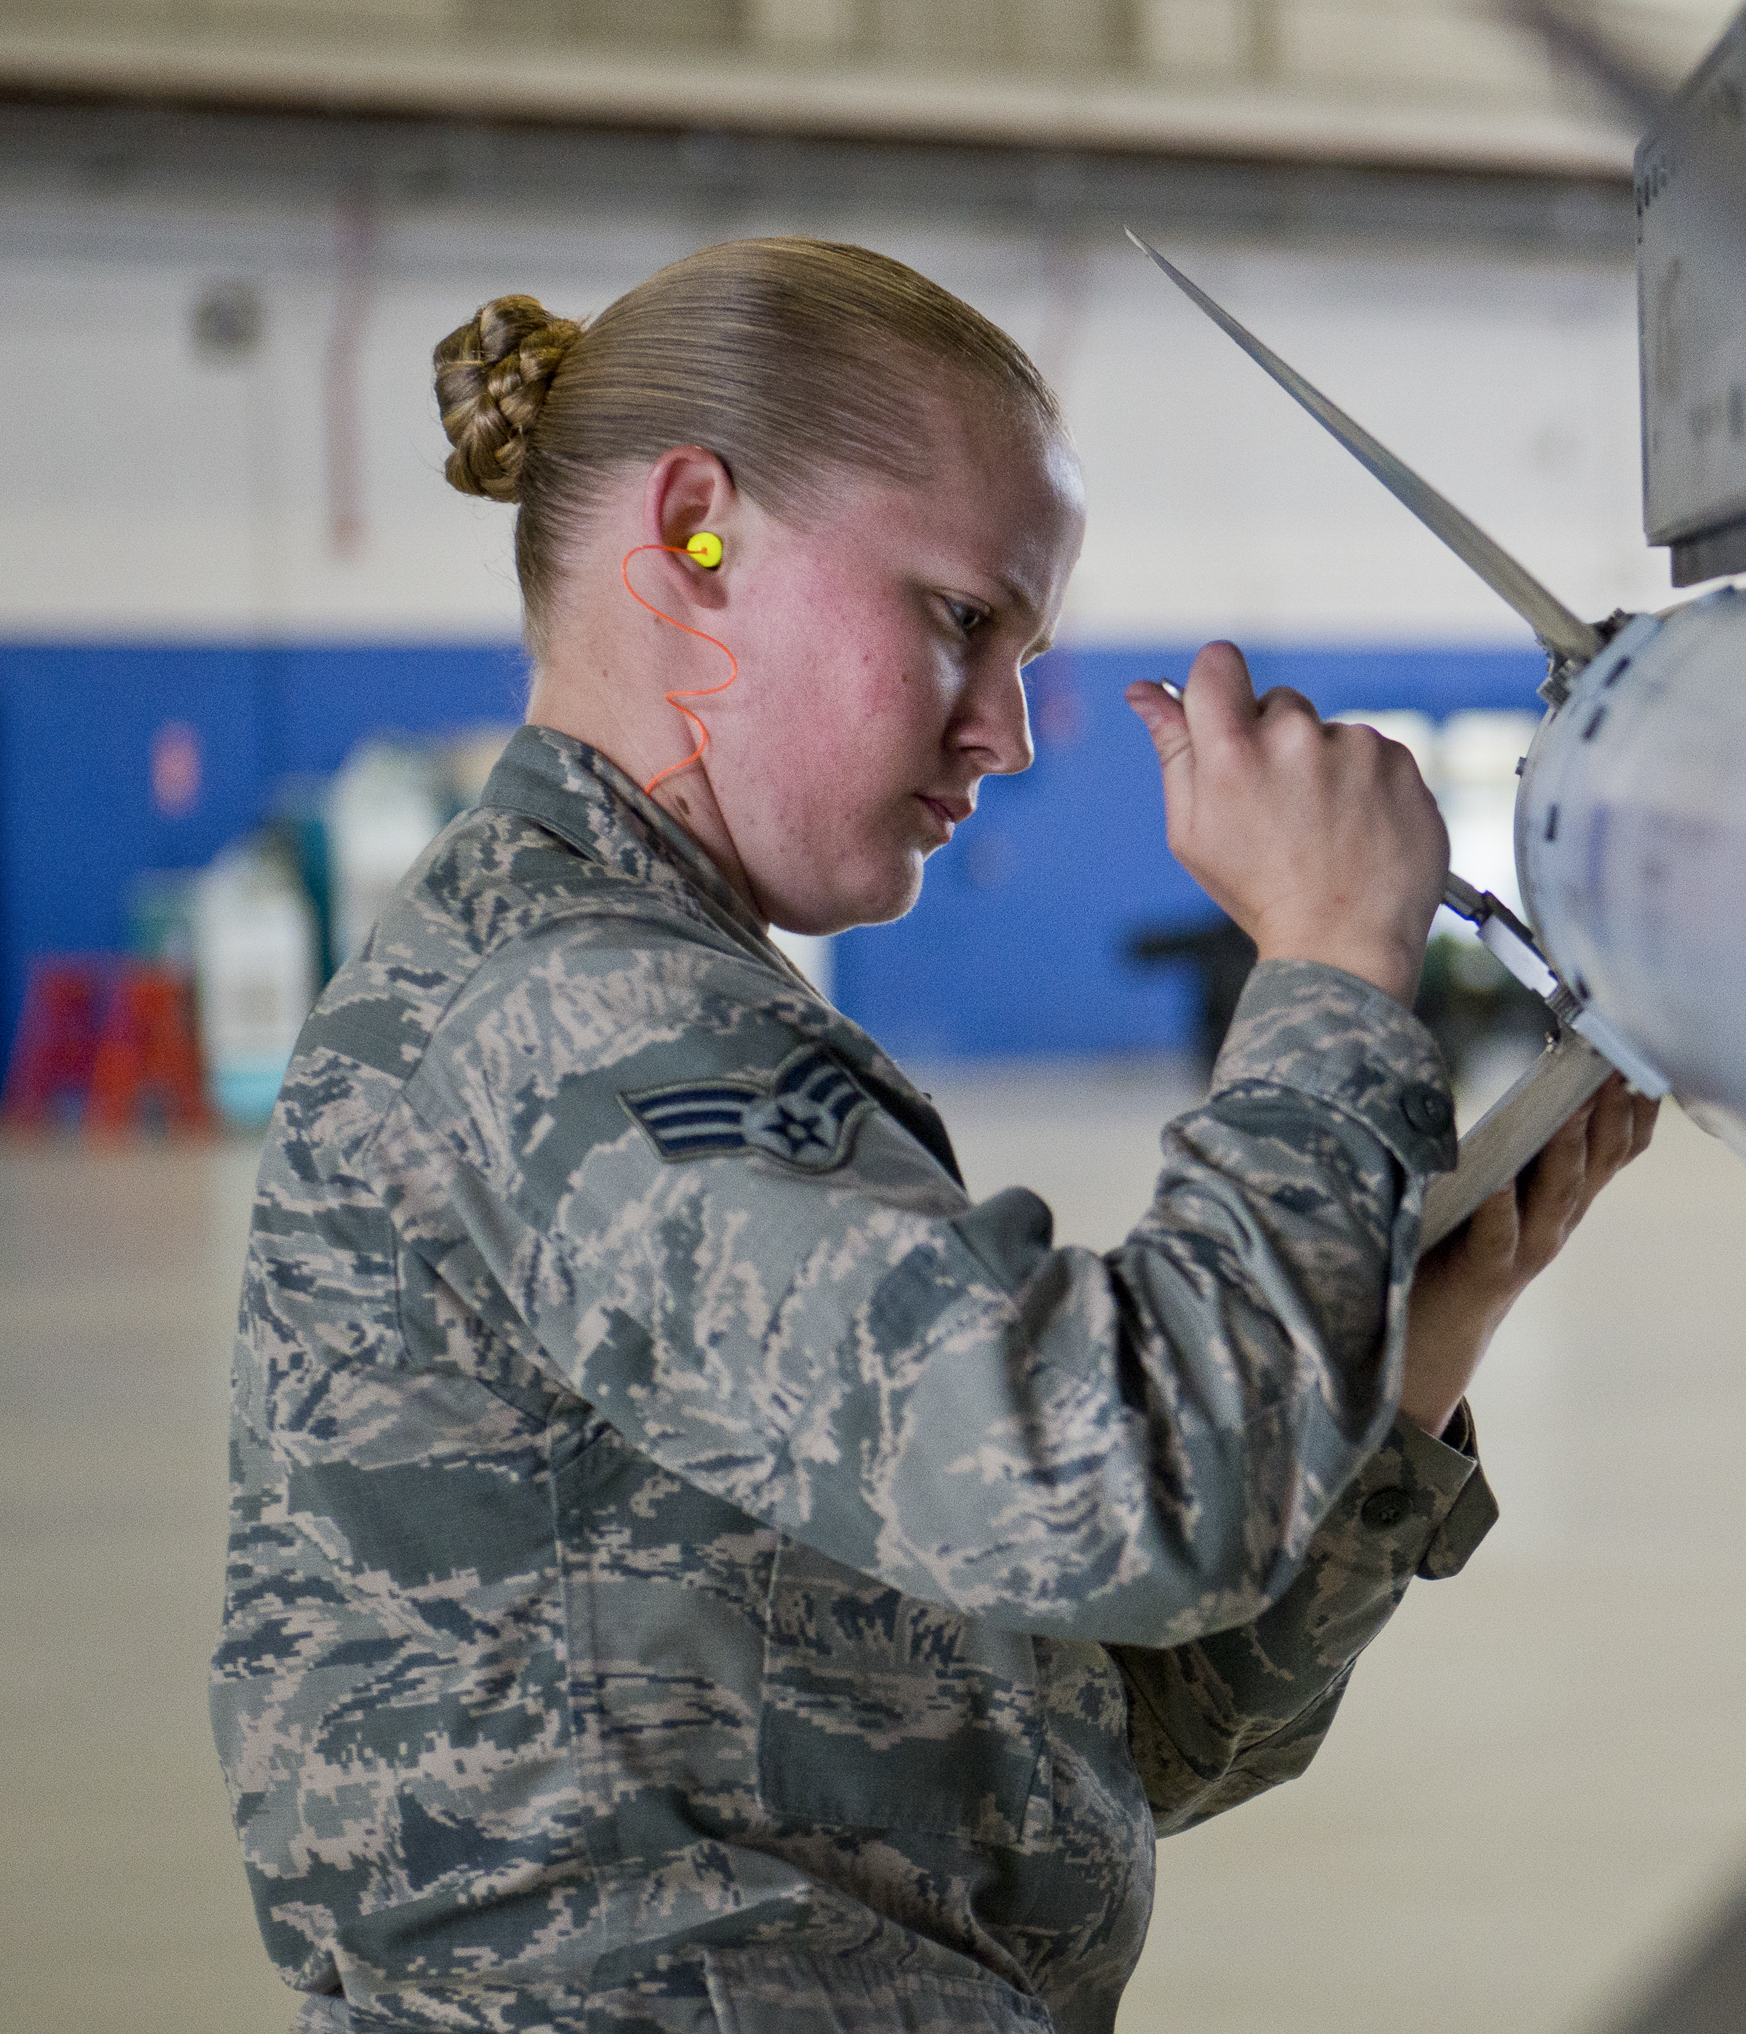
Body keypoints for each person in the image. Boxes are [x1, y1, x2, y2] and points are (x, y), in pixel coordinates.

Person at [211, 237, 1656, 2034]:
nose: (1011, 731)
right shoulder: (575, 1021)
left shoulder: (643, 1004)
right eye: (963, 618)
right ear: (693, 535)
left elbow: (1054, 1742)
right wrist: (1332, 970)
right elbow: (1115, 1498)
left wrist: (1401, 1367)